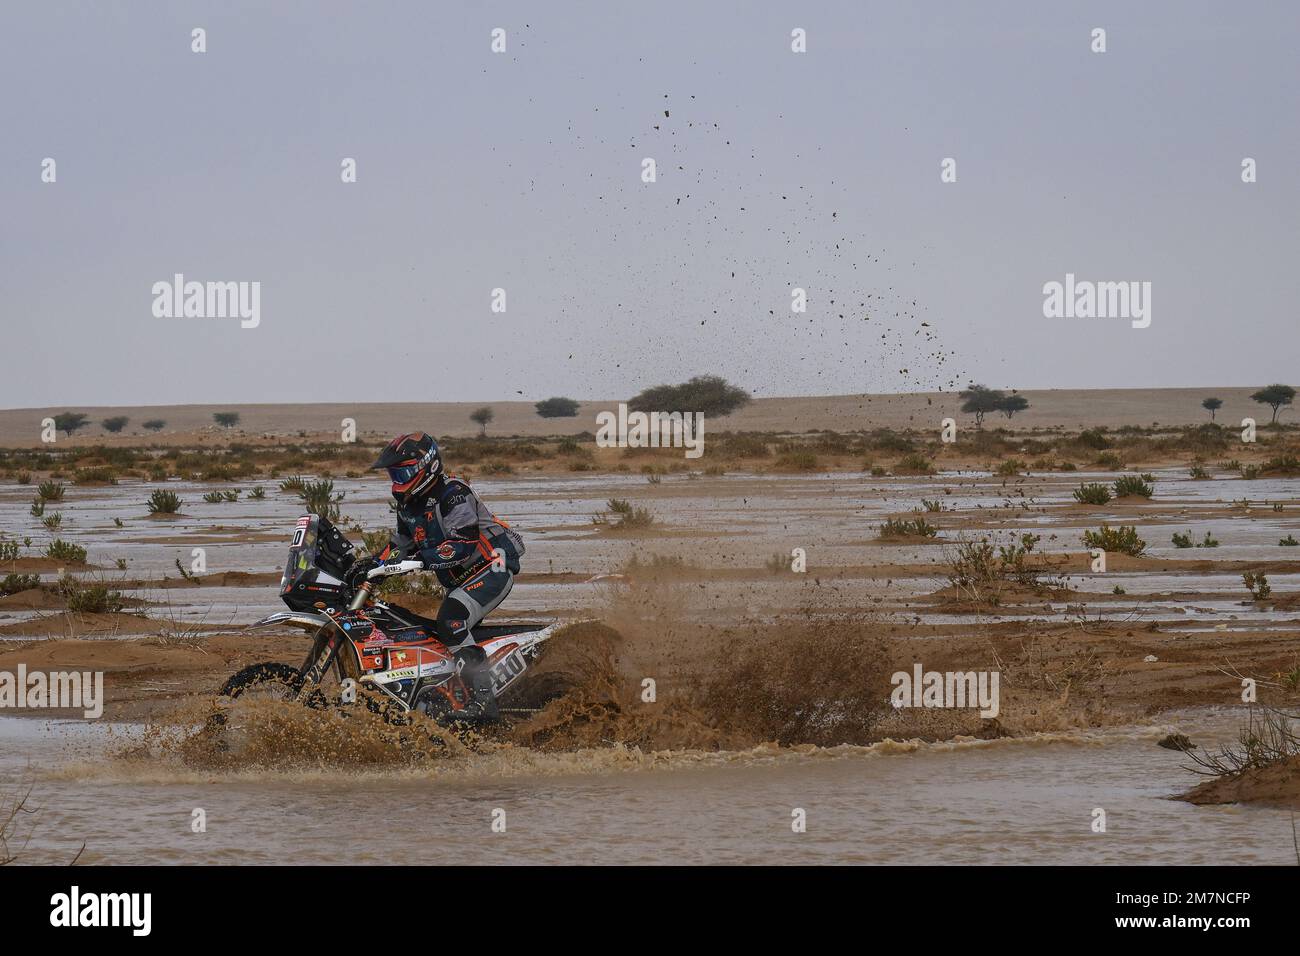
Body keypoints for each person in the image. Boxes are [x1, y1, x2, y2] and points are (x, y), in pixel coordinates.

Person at [344, 432, 524, 721]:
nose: (398, 479)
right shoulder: (409, 505)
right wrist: (371, 566)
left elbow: (461, 546)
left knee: (451, 621)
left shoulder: (453, 493)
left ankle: (483, 706)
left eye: (402, 472)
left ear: (425, 466)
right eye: (394, 473)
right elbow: (400, 545)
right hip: (462, 579)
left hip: (493, 567)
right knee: (431, 632)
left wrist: (416, 561)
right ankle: (446, 696)